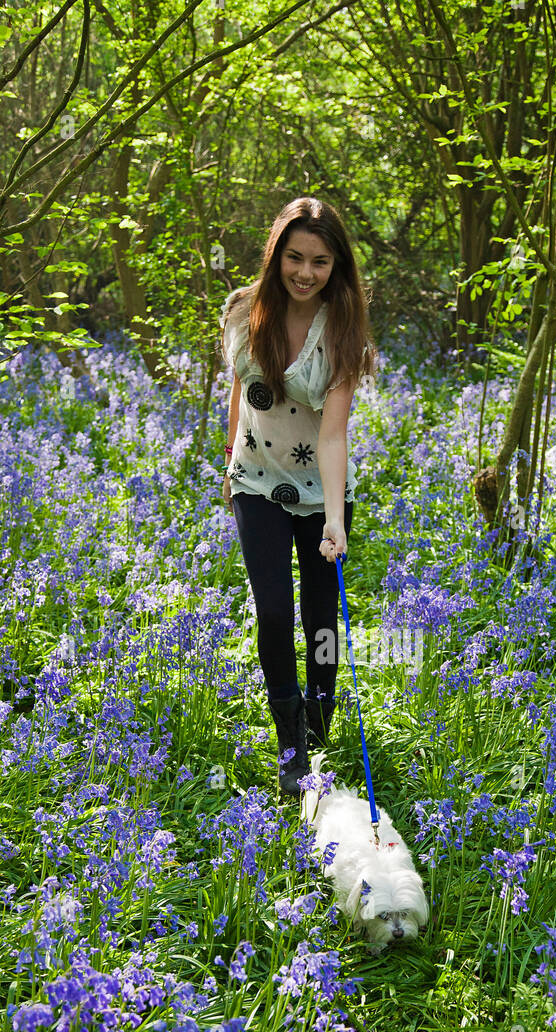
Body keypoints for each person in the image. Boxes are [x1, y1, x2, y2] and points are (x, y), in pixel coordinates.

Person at [220, 196, 377, 796]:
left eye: (319, 261)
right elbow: (238, 389)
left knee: (320, 616)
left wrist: (334, 519)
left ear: (336, 266)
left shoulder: (344, 334)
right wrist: (228, 463)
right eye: (294, 258)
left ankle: (321, 701)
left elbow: (333, 434)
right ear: (276, 255)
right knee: (273, 610)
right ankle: (291, 746)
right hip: (255, 482)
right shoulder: (241, 312)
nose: (305, 273)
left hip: (319, 492)